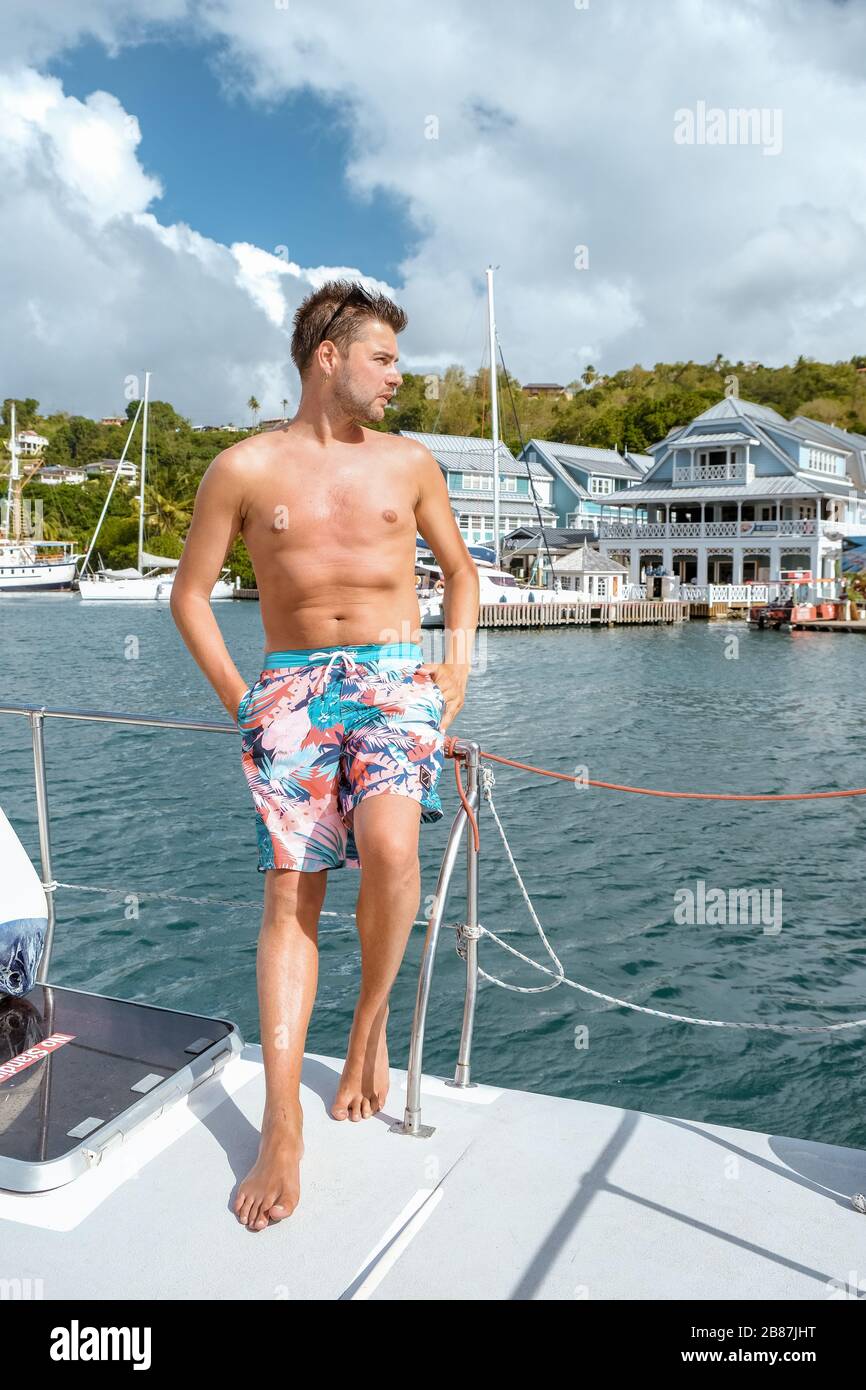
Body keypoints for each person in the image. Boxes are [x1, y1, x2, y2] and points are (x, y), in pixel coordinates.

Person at [169, 280, 480, 1230]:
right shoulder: (244, 468)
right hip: (290, 689)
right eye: (383, 358)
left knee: (392, 849)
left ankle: (369, 1025)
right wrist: (243, 704)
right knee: (290, 891)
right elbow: (188, 595)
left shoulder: (412, 464)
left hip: (394, 680)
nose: (397, 376)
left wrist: (454, 672)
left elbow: (462, 576)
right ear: (328, 356)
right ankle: (279, 1127)